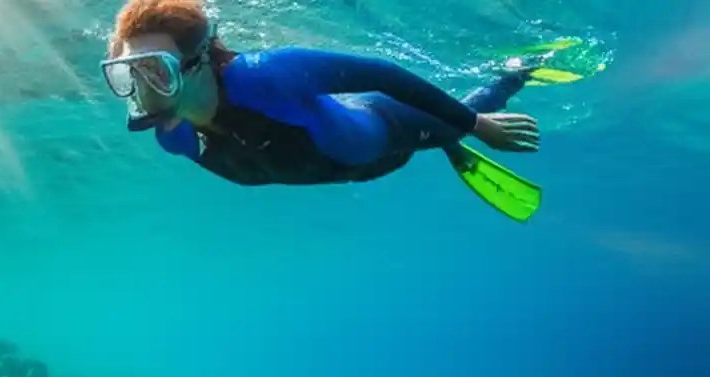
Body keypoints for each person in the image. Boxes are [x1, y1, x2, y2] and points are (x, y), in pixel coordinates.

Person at [100, 0, 585, 221]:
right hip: (346, 168)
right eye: (129, 72)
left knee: (456, 118)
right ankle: (452, 133)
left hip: (391, 127)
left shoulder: (272, 73)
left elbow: (382, 73)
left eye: (156, 71)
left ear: (200, 59)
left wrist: (477, 126)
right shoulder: (171, 136)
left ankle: (521, 71)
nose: (142, 88)